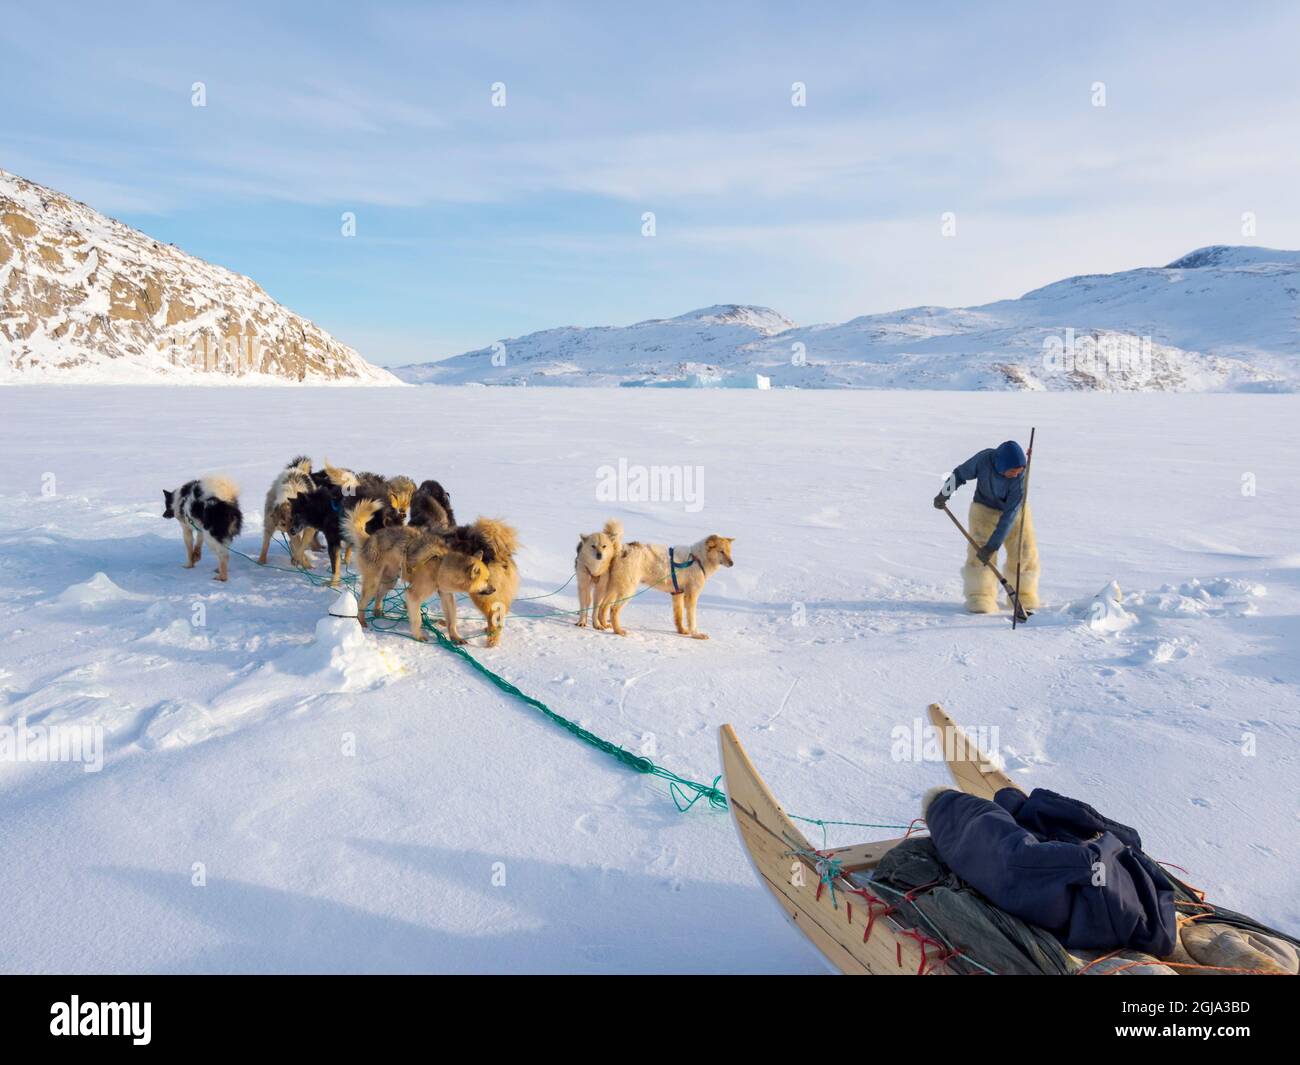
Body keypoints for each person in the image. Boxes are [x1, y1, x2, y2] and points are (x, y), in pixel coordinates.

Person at [933, 440, 1039, 614]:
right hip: (984, 510)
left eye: (1020, 471)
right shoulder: (984, 460)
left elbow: (1009, 516)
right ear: (1002, 465)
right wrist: (945, 493)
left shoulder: (1019, 478)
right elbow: (959, 474)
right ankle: (980, 595)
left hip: (1015, 513)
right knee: (978, 553)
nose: (1016, 474)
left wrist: (993, 546)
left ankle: (1023, 594)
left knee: (1024, 549)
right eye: (1013, 471)